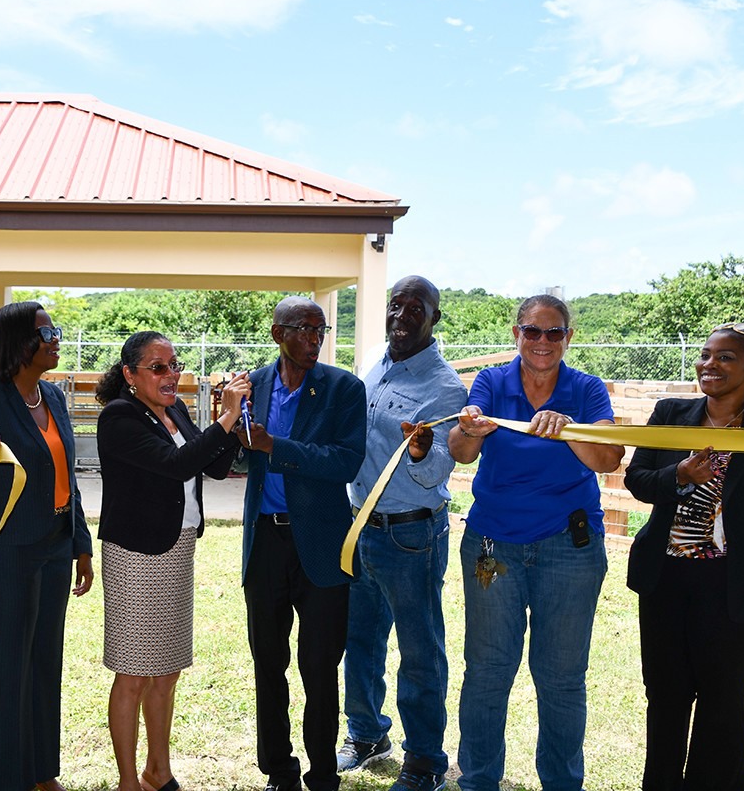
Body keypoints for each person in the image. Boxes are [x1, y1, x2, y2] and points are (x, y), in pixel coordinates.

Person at [624, 323, 744, 791]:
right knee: (666, 697)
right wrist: (680, 474)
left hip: (736, 584)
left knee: (723, 701)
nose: (710, 365)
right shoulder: (672, 414)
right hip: (666, 578)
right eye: (706, 355)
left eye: (725, 358)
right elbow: (638, 481)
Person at [447, 293, 623, 791]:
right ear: (516, 335)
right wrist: (471, 430)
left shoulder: (585, 389)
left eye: (554, 333)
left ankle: (562, 784)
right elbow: (460, 452)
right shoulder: (491, 382)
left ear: (568, 337)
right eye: (532, 331)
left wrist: (570, 431)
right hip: (493, 545)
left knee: (562, 677)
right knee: (486, 671)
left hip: (569, 549)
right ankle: (478, 781)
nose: (542, 342)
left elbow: (609, 459)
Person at [0, 301, 94, 791]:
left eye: (56, 329)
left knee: (45, 660)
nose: (55, 338)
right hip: (5, 549)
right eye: (45, 331)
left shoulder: (53, 395)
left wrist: (80, 543)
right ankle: (5, 778)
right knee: (10, 661)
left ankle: (41, 772)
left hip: (53, 544)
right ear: (17, 342)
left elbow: (67, 475)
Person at [95, 331, 250, 791]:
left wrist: (236, 424)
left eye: (175, 365)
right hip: (136, 554)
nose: (171, 375)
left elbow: (216, 467)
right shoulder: (119, 417)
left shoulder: (176, 409)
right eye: (158, 367)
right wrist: (223, 419)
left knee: (167, 669)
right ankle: (128, 780)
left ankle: (158, 772)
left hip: (178, 548)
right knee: (133, 673)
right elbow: (175, 464)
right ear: (130, 374)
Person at [340, 277, 467, 791]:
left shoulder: (445, 386)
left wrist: (420, 452)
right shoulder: (374, 362)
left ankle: (425, 762)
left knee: (419, 651)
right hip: (357, 526)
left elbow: (440, 468)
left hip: (410, 537)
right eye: (396, 304)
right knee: (359, 641)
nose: (403, 315)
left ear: (434, 317)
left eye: (417, 308)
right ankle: (367, 734)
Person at [240, 296, 367, 791]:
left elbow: (344, 462)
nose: (314, 339)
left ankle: (322, 773)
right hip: (264, 544)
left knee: (320, 666)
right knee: (268, 662)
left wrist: (277, 446)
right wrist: (228, 423)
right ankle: (278, 770)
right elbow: (234, 460)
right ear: (278, 334)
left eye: (321, 330)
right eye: (303, 329)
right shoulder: (251, 384)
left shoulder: (342, 388)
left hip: (321, 546)